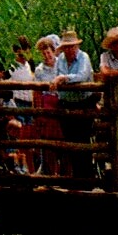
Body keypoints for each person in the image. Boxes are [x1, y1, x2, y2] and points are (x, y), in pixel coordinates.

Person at [51, 30, 97, 179]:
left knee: (83, 140)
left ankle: (87, 177)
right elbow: (55, 77)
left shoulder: (84, 57)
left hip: (84, 104)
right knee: (70, 141)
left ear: (76, 46)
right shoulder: (60, 60)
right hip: (66, 104)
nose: (70, 50)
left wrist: (64, 78)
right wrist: (61, 79)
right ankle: (76, 177)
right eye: (67, 47)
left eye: (72, 46)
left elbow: (82, 76)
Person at [32, 34, 63, 176]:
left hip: (61, 104)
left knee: (63, 139)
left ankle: (64, 173)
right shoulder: (39, 70)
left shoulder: (62, 64)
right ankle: (49, 172)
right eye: (43, 53)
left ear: (53, 51)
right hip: (47, 105)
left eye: (48, 52)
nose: (46, 55)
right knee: (48, 140)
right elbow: (37, 92)